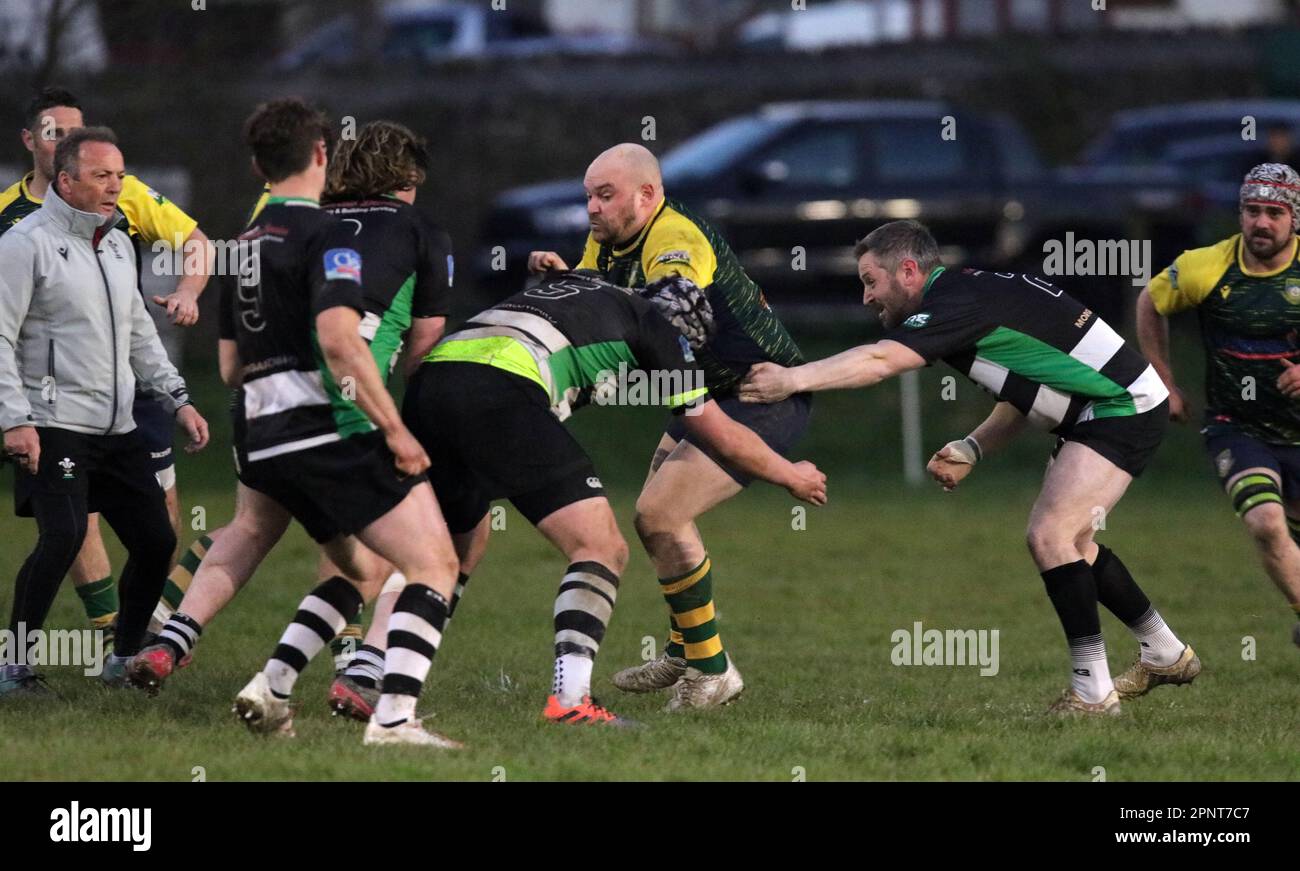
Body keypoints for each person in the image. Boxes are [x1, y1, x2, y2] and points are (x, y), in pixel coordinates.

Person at [740, 219, 1199, 715]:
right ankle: (1164, 651)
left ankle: (1093, 694)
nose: (866, 298)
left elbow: (877, 361)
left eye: (871, 281)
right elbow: (1026, 392)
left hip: (1123, 406)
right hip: (1109, 405)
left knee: (1050, 537)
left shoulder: (955, 303)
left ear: (909, 271)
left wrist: (793, 379)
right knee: (1074, 545)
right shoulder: (970, 294)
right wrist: (973, 448)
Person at [136, 98, 463, 748]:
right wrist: (395, 429)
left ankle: (248, 673)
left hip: (255, 425)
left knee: (274, 537)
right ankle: (393, 716)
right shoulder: (329, 237)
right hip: (327, 421)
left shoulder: (246, 242)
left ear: (259, 164)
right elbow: (342, 340)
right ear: (320, 154)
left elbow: (229, 365)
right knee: (434, 562)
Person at [396, 269, 826, 725]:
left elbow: (547, 290)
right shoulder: (663, 330)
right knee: (601, 547)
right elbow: (717, 432)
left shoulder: (587, 283)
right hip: (501, 388)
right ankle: (571, 700)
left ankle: (374, 676)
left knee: (452, 552)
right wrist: (791, 475)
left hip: (429, 384)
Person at [527, 143, 809, 709]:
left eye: (605, 195)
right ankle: (689, 649)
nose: (592, 208)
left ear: (648, 195)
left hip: (760, 392)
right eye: (588, 196)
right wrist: (567, 282)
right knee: (659, 523)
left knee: (659, 514)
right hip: (701, 394)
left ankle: (712, 670)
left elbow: (673, 309)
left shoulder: (676, 237)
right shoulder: (610, 236)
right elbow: (599, 298)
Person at [0, 86, 213, 646]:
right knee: (63, 537)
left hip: (118, 428)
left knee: (156, 540)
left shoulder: (118, 243)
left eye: (119, 176)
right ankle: (14, 661)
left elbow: (139, 330)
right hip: (55, 424)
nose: (116, 186)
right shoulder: (23, 244)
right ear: (66, 182)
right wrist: (14, 419)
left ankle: (124, 654)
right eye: (101, 177)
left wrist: (179, 397)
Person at [1137, 163, 1300, 647]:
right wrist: (1163, 379)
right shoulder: (1207, 266)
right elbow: (1149, 302)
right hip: (1239, 427)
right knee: (1265, 523)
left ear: (1295, 219)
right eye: (1252, 211)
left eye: (1274, 212)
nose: (1262, 223)